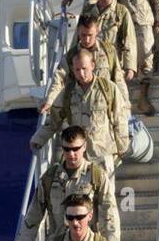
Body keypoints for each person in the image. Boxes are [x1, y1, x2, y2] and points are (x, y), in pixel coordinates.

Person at [11, 125, 120, 241]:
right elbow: (35, 211)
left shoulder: (96, 175)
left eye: (76, 149)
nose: (71, 154)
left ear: (84, 146)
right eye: (67, 149)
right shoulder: (50, 177)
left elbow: (109, 209)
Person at [32, 49, 129, 179]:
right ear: (72, 70)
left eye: (84, 68)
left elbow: (120, 119)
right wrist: (38, 139)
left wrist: (122, 148)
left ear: (93, 66)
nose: (81, 73)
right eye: (77, 70)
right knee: (80, 198)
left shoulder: (108, 89)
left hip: (102, 154)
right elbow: (54, 120)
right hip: (78, 158)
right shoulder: (67, 93)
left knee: (105, 197)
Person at [41, 11, 128, 114]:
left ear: (97, 31)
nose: (86, 40)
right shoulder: (71, 56)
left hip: (104, 108)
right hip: (80, 109)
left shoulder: (109, 52)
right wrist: (49, 102)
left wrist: (125, 105)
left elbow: (118, 79)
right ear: (78, 31)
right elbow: (58, 80)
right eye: (83, 35)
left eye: (90, 35)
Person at [94, 0, 138, 81]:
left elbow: (129, 40)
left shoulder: (121, 12)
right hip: (92, 68)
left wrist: (130, 67)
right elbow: (78, 39)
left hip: (113, 67)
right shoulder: (88, 12)